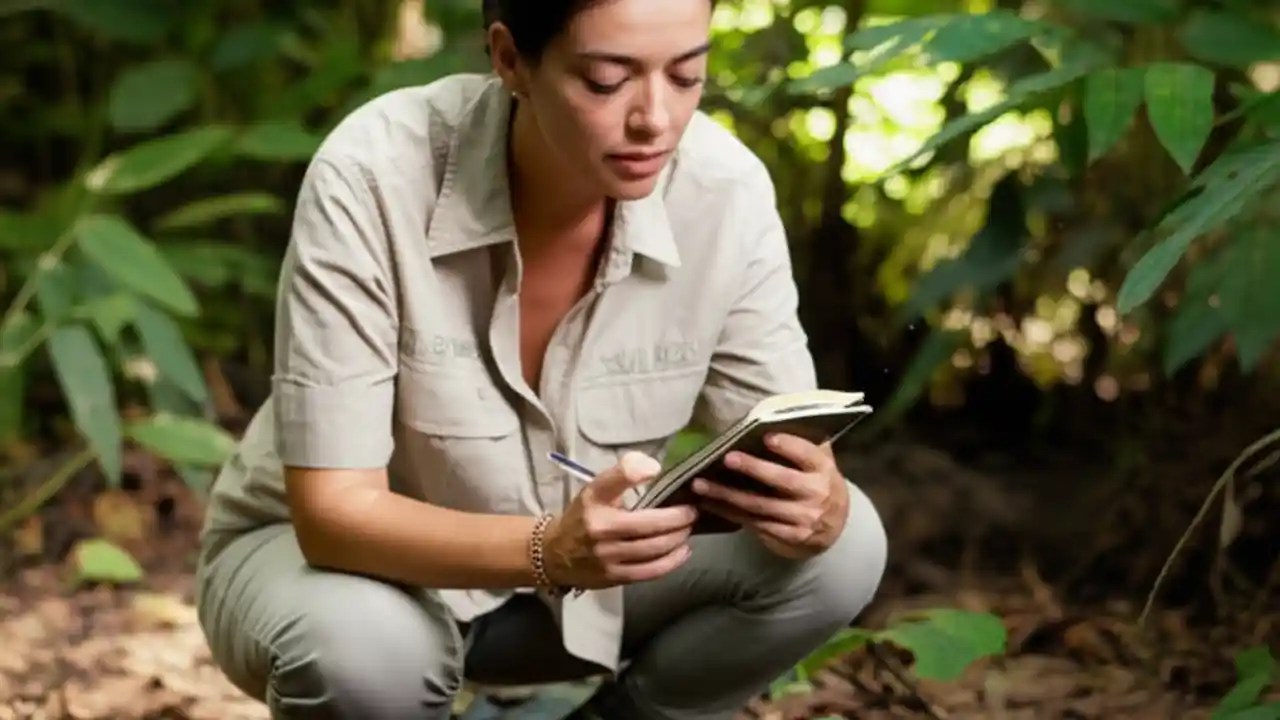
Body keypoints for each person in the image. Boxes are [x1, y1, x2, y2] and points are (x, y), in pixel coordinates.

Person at [193, 0, 888, 718]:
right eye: (606, 80)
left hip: (577, 590)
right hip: (334, 576)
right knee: (365, 652)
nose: (656, 118)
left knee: (844, 549)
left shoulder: (724, 194)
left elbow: (783, 446)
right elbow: (332, 515)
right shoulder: (374, 172)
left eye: (687, 75)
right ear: (509, 59)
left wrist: (816, 506)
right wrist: (547, 550)